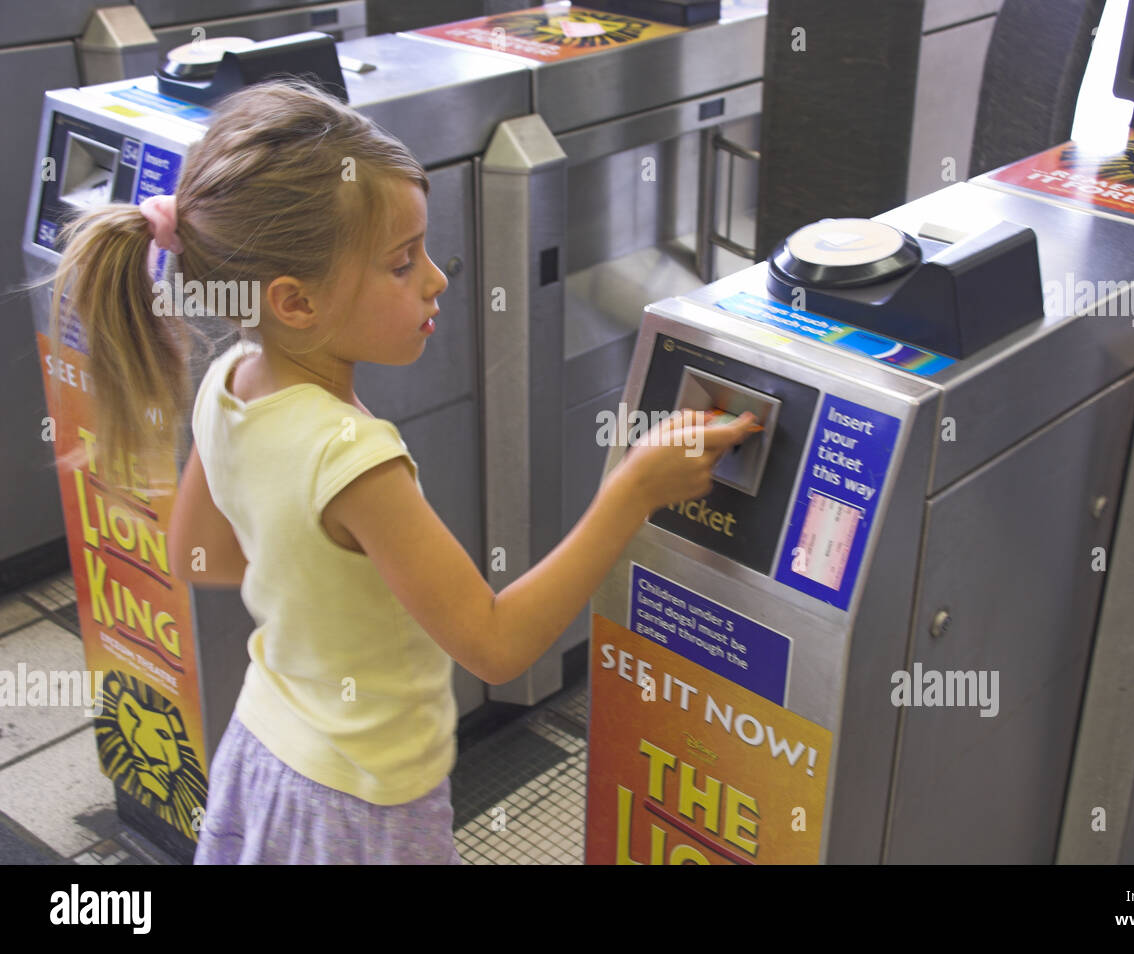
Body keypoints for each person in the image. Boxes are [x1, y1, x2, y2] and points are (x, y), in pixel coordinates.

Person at [50, 80, 757, 864]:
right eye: (400, 263)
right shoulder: (354, 461)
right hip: (363, 801)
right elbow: (494, 645)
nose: (436, 278)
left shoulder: (232, 382)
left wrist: (321, 588)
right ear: (294, 302)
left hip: (266, 754)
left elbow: (203, 554)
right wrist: (633, 489)